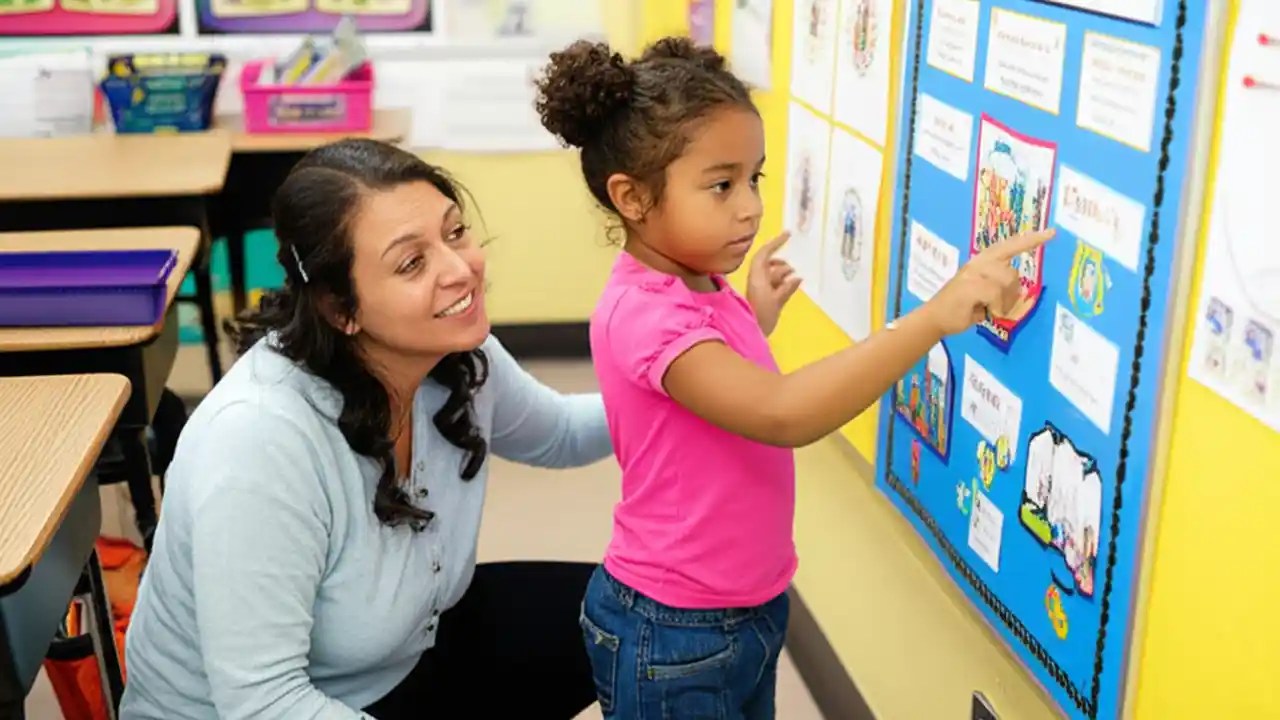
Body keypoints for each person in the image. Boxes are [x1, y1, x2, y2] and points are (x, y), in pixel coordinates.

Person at [533, 37, 1054, 719]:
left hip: (740, 607)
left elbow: (706, 384)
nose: (749, 206)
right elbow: (781, 412)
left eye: (756, 178)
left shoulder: (695, 282)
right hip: (674, 628)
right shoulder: (644, 312)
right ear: (631, 198)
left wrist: (751, 314)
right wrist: (930, 320)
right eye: (721, 185)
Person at [119, 139, 612, 720]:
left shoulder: (452, 354)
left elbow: (559, 433)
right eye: (412, 263)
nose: (462, 270)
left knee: (639, 620)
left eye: (454, 233)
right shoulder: (259, 444)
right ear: (339, 307)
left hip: (392, 664)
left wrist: (694, 374)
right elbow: (262, 703)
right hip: (264, 711)